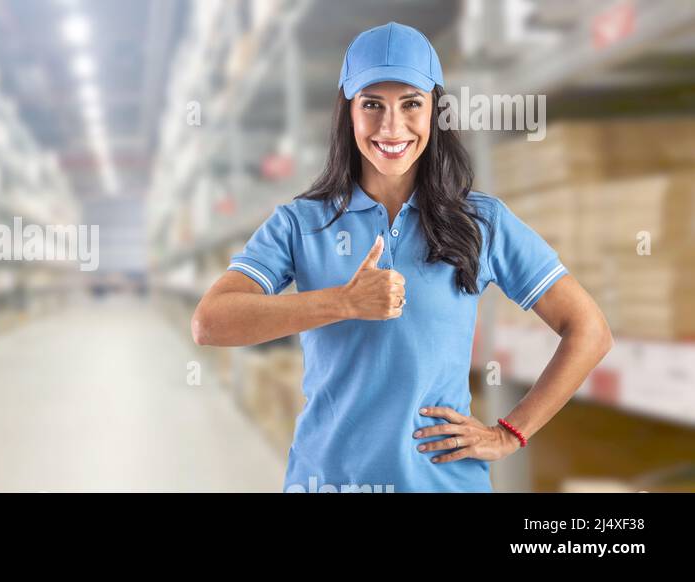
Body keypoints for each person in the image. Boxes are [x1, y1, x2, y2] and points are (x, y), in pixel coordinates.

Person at [190, 22, 612, 492]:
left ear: (435, 110)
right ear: (347, 112)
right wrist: (343, 303)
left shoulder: (481, 222)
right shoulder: (299, 224)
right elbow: (210, 322)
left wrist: (510, 433)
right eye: (372, 105)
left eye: (411, 104)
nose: (392, 127)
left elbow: (589, 330)